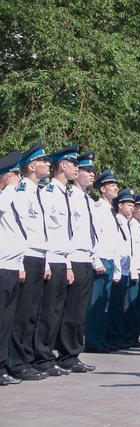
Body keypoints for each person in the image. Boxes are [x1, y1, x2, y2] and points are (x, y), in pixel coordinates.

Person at [33, 145, 79, 377]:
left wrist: (68, 263)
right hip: (51, 258)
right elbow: (45, 231)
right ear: (63, 165)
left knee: (57, 313)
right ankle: (40, 358)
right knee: (47, 312)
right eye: (75, 165)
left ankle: (48, 356)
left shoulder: (65, 194)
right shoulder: (49, 192)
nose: (77, 169)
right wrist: (48, 261)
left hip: (63, 259)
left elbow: (66, 233)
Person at [9, 141, 51, 381]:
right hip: (27, 255)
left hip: (38, 256)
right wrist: (21, 261)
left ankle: (25, 359)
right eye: (43, 161)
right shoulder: (24, 189)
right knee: (22, 314)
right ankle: (16, 362)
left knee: (32, 313)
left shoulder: (38, 191)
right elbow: (21, 227)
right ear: (32, 166)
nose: (48, 164)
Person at [60, 151, 98, 372]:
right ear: (76, 174)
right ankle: (66, 354)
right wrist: (67, 262)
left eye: (93, 171)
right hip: (73, 257)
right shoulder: (70, 196)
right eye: (87, 170)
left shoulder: (87, 200)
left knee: (80, 312)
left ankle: (74, 352)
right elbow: (68, 232)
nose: (91, 174)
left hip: (86, 258)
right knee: (71, 310)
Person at [85, 169, 122, 353]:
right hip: (100, 261)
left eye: (116, 185)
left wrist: (116, 267)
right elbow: (94, 236)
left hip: (109, 260)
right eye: (111, 185)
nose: (115, 187)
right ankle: (92, 340)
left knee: (104, 303)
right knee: (95, 304)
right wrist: (96, 260)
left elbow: (114, 241)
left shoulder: (110, 210)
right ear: (102, 189)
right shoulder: (98, 208)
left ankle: (99, 338)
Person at [0, 151, 28, 386]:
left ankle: (1, 367)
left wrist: (20, 265)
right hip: (0, 267)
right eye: (15, 174)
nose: (18, 179)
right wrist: (8, 188)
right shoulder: (4, 197)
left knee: (7, 321)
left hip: (11, 266)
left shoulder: (11, 199)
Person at [119, 192, 140, 348]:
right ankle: (125, 337)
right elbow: (130, 251)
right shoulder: (130, 226)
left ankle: (133, 336)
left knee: (138, 307)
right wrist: (133, 271)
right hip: (134, 270)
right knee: (129, 306)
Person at [104, 188, 137, 349]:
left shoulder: (125, 222)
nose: (132, 207)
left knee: (119, 308)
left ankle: (116, 337)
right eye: (128, 204)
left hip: (125, 271)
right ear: (120, 205)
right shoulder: (116, 220)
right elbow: (115, 247)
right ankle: (110, 337)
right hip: (118, 271)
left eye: (133, 204)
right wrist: (117, 271)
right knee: (113, 307)